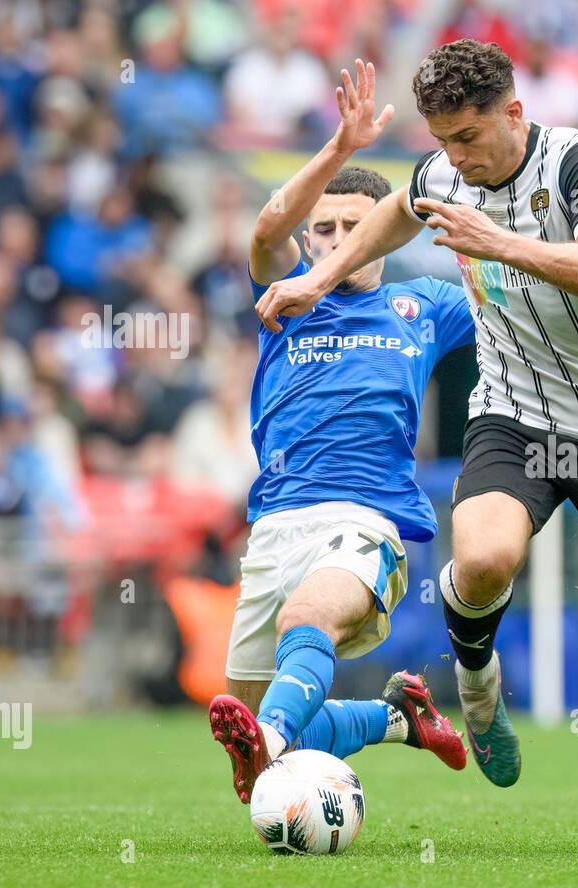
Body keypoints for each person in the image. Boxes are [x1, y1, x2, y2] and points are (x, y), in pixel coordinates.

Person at [254, 41, 578, 852]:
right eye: (442, 139)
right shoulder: (443, 173)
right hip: (514, 417)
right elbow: (396, 211)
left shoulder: (576, 163)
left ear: (513, 114)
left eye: (469, 137)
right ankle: (478, 689)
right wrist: (317, 277)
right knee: (481, 560)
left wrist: (498, 242)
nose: (454, 156)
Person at [208, 60, 470, 804]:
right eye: (321, 228)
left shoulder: (423, 306)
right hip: (276, 522)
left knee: (305, 625)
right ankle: (397, 721)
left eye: (351, 227)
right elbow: (266, 229)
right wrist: (340, 148)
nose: (331, 241)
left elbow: (503, 305)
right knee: (262, 717)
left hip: (365, 519)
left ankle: (274, 743)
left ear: (381, 238)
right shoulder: (288, 298)